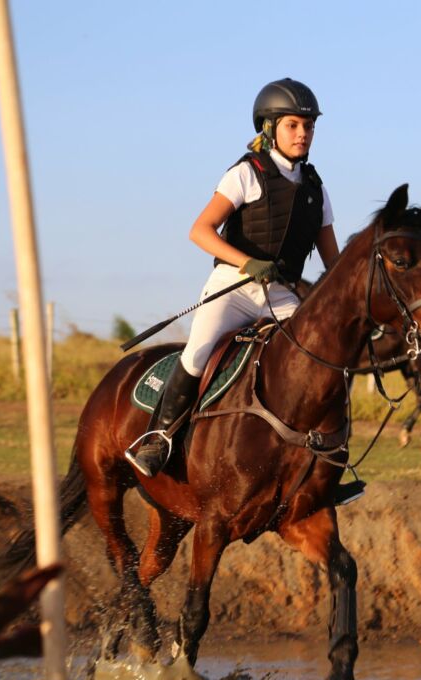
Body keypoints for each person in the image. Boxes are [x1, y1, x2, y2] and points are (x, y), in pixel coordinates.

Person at [126, 78, 340, 480]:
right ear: (269, 127)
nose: (303, 133)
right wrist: (247, 263)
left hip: (281, 296)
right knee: (199, 351)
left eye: (309, 126)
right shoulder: (246, 173)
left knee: (321, 360)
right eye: (293, 125)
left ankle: (327, 462)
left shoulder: (316, 189)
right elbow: (201, 230)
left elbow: (335, 263)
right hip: (233, 289)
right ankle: (159, 439)